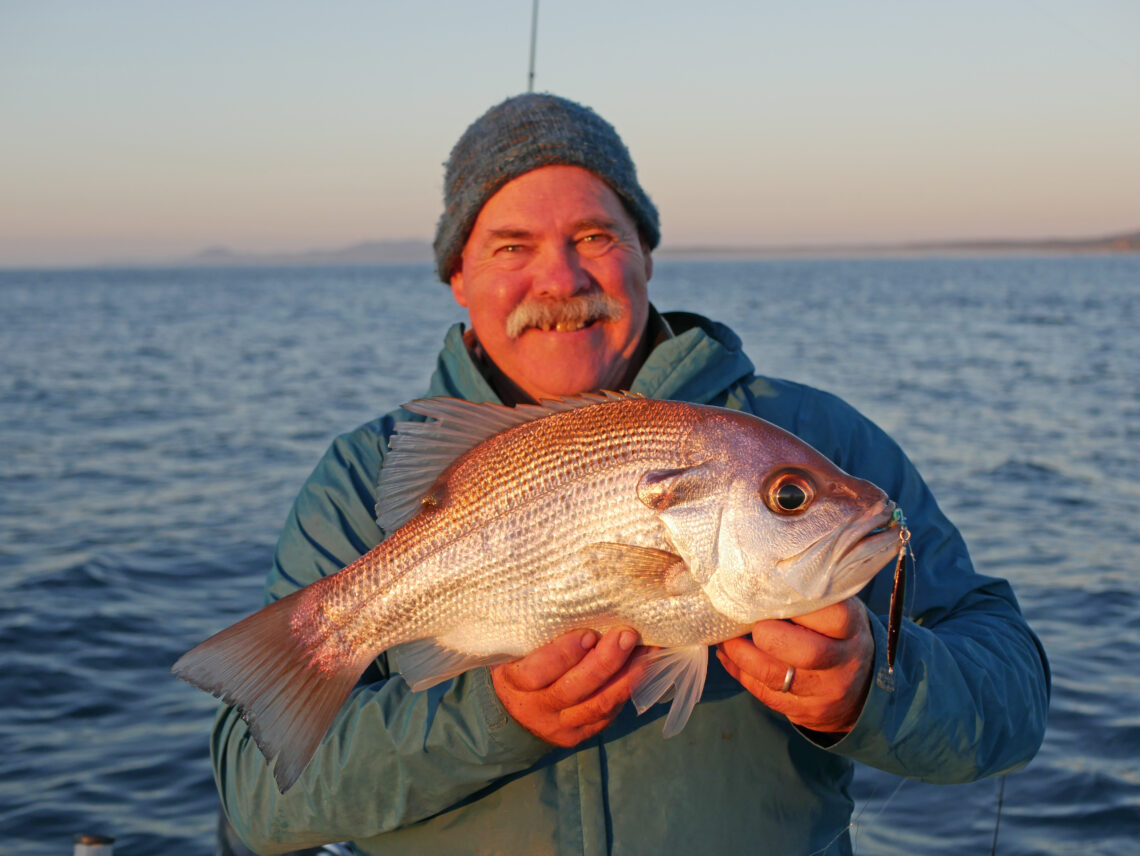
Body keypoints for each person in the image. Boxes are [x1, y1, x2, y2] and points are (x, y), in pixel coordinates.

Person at [211, 93, 1049, 855]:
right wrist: (492, 720)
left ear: (645, 251)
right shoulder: (365, 477)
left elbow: (1012, 696)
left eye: (595, 236)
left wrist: (869, 689)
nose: (561, 279)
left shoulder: (812, 438)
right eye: (511, 246)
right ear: (458, 277)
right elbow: (257, 804)